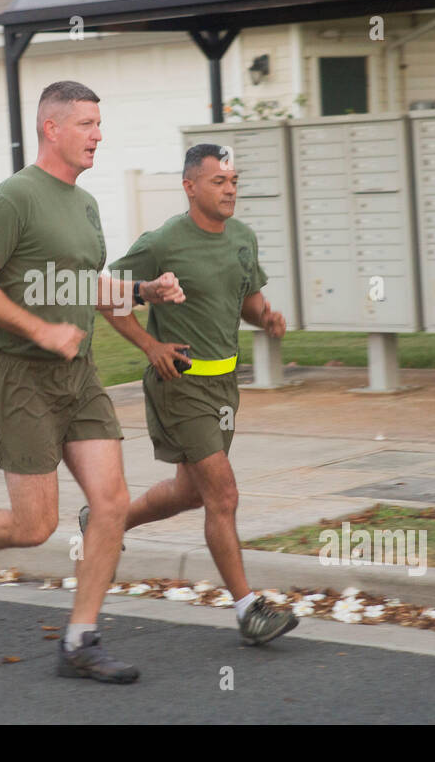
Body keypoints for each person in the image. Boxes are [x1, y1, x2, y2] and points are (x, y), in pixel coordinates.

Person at [0, 80, 184, 684]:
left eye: (99, 124)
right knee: (34, 526)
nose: (98, 135)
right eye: (86, 124)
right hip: (18, 376)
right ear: (51, 128)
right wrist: (40, 330)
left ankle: (80, 639)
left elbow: (83, 287)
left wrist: (143, 292)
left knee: (110, 502)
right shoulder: (12, 199)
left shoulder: (84, 204)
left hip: (77, 375)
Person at [98, 143, 299, 645]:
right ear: (190, 186)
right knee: (224, 495)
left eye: (234, 181)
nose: (230, 189)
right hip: (180, 383)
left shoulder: (243, 239)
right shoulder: (165, 241)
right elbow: (107, 293)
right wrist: (149, 344)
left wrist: (266, 317)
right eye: (218, 181)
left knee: (191, 492)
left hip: (226, 386)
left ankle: (108, 520)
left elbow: (249, 304)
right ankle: (248, 610)